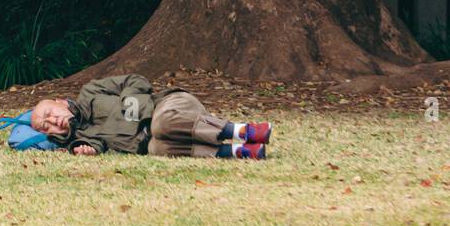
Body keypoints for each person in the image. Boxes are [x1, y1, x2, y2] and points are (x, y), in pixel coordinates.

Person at [29, 74, 271, 158]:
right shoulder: (79, 137)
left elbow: (135, 81)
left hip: (171, 107)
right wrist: (87, 149)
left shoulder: (91, 91)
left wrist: (130, 105)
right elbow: (98, 144)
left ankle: (245, 131)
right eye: (45, 127)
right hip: (156, 137)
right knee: (157, 148)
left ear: (60, 101)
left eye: (49, 113)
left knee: (160, 125)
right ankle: (240, 151)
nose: (52, 122)